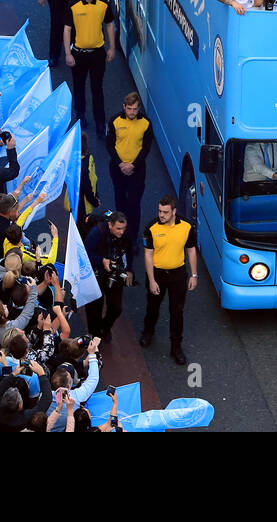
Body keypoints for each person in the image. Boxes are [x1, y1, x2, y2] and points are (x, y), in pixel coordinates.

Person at [141, 193, 197, 365]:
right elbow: (148, 255)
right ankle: (148, 332)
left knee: (177, 312)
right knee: (153, 306)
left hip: (178, 275)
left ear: (174, 212)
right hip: (157, 274)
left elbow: (191, 250)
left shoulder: (186, 226)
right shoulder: (151, 228)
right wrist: (151, 280)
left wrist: (194, 275)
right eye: (159, 211)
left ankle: (176, 347)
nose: (161, 215)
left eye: (165, 212)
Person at [64, 0, 117, 137]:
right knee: (79, 88)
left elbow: (109, 25)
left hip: (97, 54)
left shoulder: (103, 5)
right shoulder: (72, 5)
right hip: (78, 54)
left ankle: (101, 123)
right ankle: (81, 117)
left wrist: (112, 48)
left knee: (97, 89)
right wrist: (67, 53)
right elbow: (66, 29)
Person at [105, 92, 152, 258]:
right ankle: (119, 235)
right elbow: (110, 144)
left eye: (135, 109)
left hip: (137, 170)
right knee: (120, 202)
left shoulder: (146, 123)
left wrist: (133, 165)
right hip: (117, 169)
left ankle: (132, 239)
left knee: (134, 205)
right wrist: (120, 163)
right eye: (129, 109)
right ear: (124, 107)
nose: (132, 112)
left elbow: (146, 148)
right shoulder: (114, 121)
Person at [83, 210, 134, 339]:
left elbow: (129, 251)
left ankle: (105, 327)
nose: (121, 232)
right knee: (95, 306)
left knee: (116, 308)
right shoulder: (96, 233)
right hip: (98, 272)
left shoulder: (125, 234)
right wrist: (102, 260)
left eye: (123, 228)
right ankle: (95, 334)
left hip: (115, 272)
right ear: (110, 225)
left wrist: (129, 269)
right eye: (118, 229)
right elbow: (85, 254)